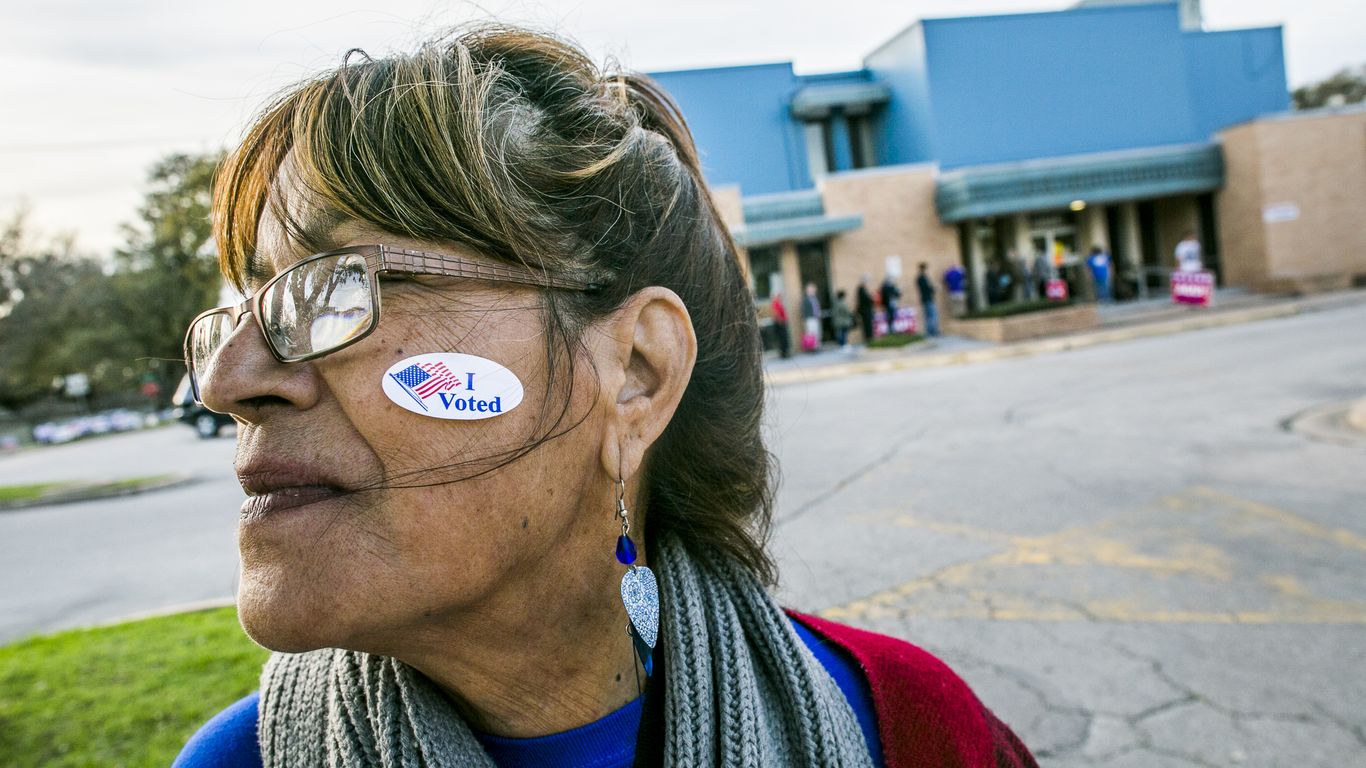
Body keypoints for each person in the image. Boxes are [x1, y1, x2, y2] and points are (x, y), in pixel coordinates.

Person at [173, 25, 1037, 768]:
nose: (228, 382)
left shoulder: (913, 731)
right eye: (243, 308)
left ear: (635, 374)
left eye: (330, 294)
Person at [915, 262, 939, 337]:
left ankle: (930, 331)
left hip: (925, 299)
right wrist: (934, 288)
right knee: (932, 315)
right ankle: (932, 331)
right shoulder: (922, 278)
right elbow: (927, 288)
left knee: (928, 316)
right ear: (924, 269)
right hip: (928, 298)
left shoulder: (920, 278)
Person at [801, 282, 822, 353]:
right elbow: (804, 310)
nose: (812, 291)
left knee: (817, 333)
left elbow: (817, 307)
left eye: (813, 290)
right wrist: (804, 320)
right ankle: (811, 348)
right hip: (809, 319)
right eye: (810, 290)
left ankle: (816, 347)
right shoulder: (805, 300)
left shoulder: (815, 298)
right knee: (811, 334)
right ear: (807, 291)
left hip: (816, 318)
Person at [770, 291, 791, 359]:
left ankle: (785, 352)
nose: (780, 297)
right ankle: (783, 354)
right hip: (780, 324)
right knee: (782, 339)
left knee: (784, 338)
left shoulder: (779, 303)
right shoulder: (775, 303)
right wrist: (781, 321)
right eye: (779, 296)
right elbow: (776, 313)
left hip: (782, 322)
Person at [856, 275, 877, 343]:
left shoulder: (863, 289)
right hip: (865, 311)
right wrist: (872, 298)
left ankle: (869, 338)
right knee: (867, 325)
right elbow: (866, 299)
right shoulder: (861, 289)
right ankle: (869, 339)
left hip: (866, 310)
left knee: (869, 325)